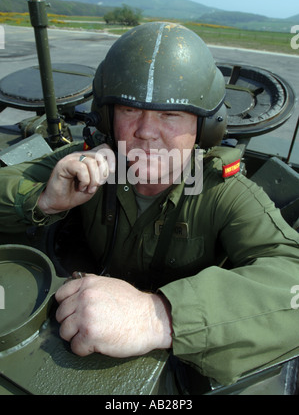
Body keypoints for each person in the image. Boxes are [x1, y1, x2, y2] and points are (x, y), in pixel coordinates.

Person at [0, 22, 298, 387]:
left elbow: (291, 278)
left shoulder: (221, 190)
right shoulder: (90, 163)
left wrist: (158, 316)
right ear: (109, 117)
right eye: (129, 110)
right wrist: (43, 200)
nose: (145, 131)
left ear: (204, 127)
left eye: (169, 115)